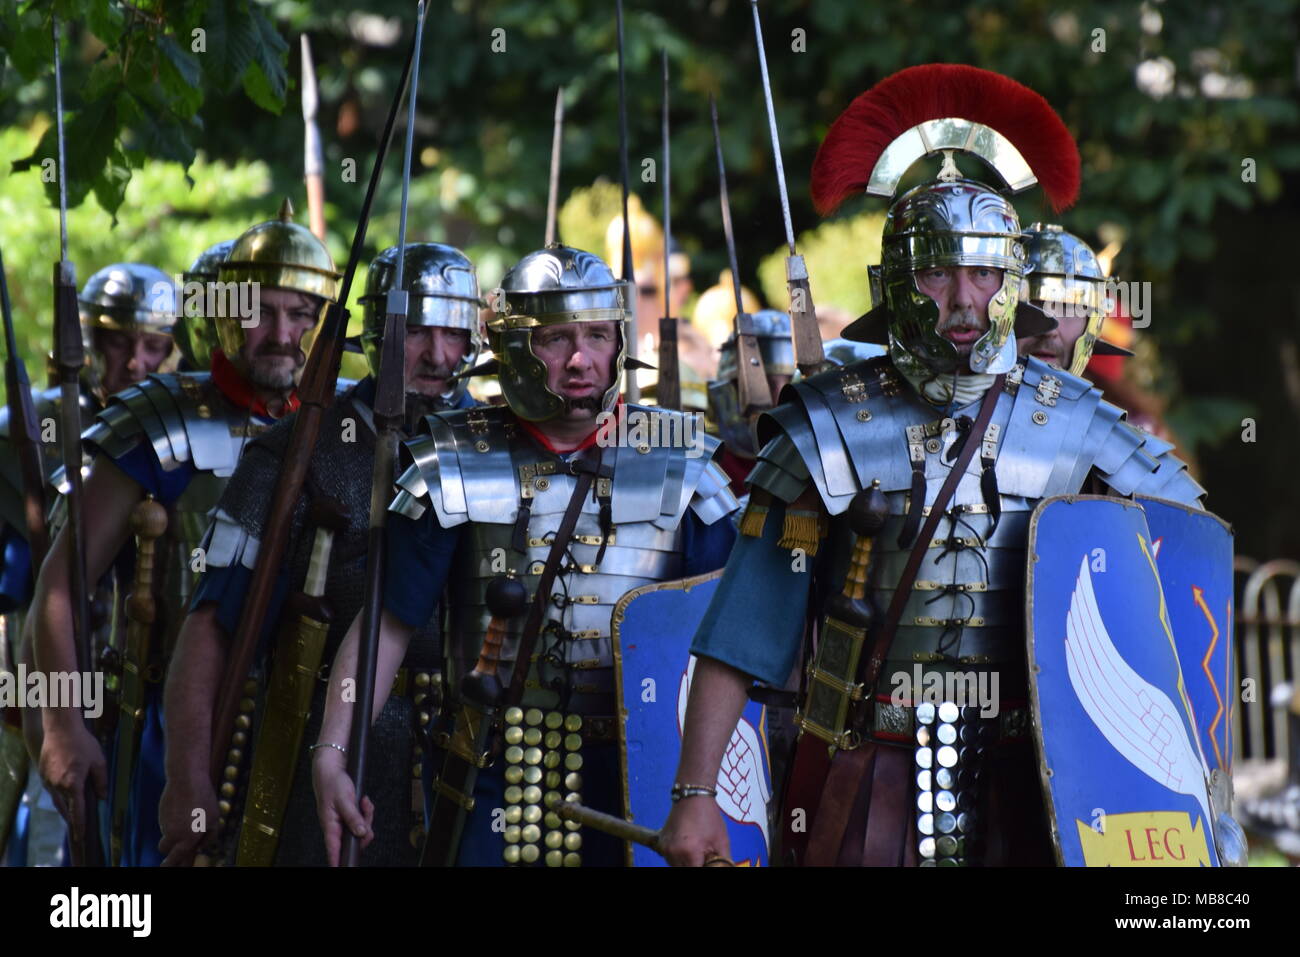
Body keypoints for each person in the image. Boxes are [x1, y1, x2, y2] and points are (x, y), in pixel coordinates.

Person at [660, 64, 1207, 868]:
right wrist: (695, 796)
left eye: (985, 272)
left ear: (1013, 281)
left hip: (1032, 783)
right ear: (895, 284)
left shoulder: (1078, 424)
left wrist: (1198, 794)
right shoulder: (829, 425)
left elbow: (1186, 572)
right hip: (858, 772)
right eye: (936, 271)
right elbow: (743, 630)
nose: (963, 299)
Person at [313, 245, 738, 867]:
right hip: (497, 770)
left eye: (597, 335)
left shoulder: (685, 465)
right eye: (554, 338)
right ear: (511, 346)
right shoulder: (452, 464)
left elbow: (723, 642)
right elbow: (387, 623)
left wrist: (701, 789)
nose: (580, 360)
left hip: (652, 773)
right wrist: (333, 752)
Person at [33, 200, 337, 866]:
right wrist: (59, 722)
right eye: (260, 310)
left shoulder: (344, 425)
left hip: (306, 735)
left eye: (301, 315)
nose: (282, 333)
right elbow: (59, 584)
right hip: (156, 730)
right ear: (224, 313)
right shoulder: (158, 420)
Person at [166, 242, 481, 867]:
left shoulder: (494, 448)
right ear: (374, 330)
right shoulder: (294, 454)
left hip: (474, 754)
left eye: (454, 331)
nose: (439, 354)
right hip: (322, 740)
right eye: (415, 329)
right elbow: (211, 627)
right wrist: (185, 776)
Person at [0, 261, 176, 865]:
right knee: (47, 833)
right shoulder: (39, 425)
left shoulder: (178, 432)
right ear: (89, 342)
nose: (135, 363)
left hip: (136, 677)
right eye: (119, 344)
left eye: (153, 347)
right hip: (44, 672)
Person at [705, 309, 797, 496]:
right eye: (765, 383)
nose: (779, 397)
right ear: (733, 386)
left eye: (791, 383)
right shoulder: (706, 460)